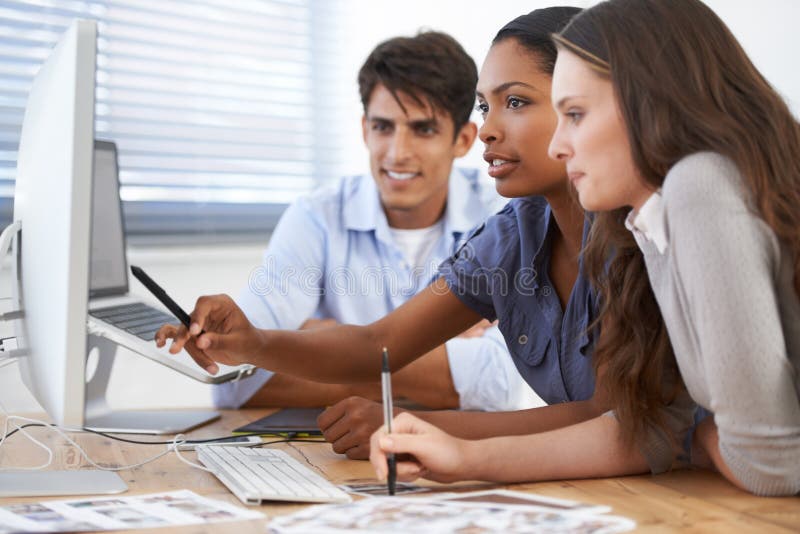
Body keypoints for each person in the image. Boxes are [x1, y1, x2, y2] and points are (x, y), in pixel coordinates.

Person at [368, 0, 800, 497]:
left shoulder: (700, 187)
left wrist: (699, 441)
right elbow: (652, 429)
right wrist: (464, 457)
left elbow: (769, 461)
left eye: (574, 113)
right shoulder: (649, 221)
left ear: (647, 102)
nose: (558, 144)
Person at [157, 7, 611, 463]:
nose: (490, 131)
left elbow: (602, 416)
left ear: (578, 106)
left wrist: (409, 424)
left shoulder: (631, 233)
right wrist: (256, 343)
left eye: (515, 102)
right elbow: (377, 345)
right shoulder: (510, 236)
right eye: (485, 106)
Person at [213, 31, 540, 415]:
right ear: (365, 129)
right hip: (331, 452)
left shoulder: (503, 216)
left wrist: (323, 343)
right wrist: (439, 352)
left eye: (423, 129)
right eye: (384, 127)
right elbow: (235, 380)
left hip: (459, 455)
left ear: (464, 139)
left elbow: (499, 385)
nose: (398, 153)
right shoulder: (317, 217)